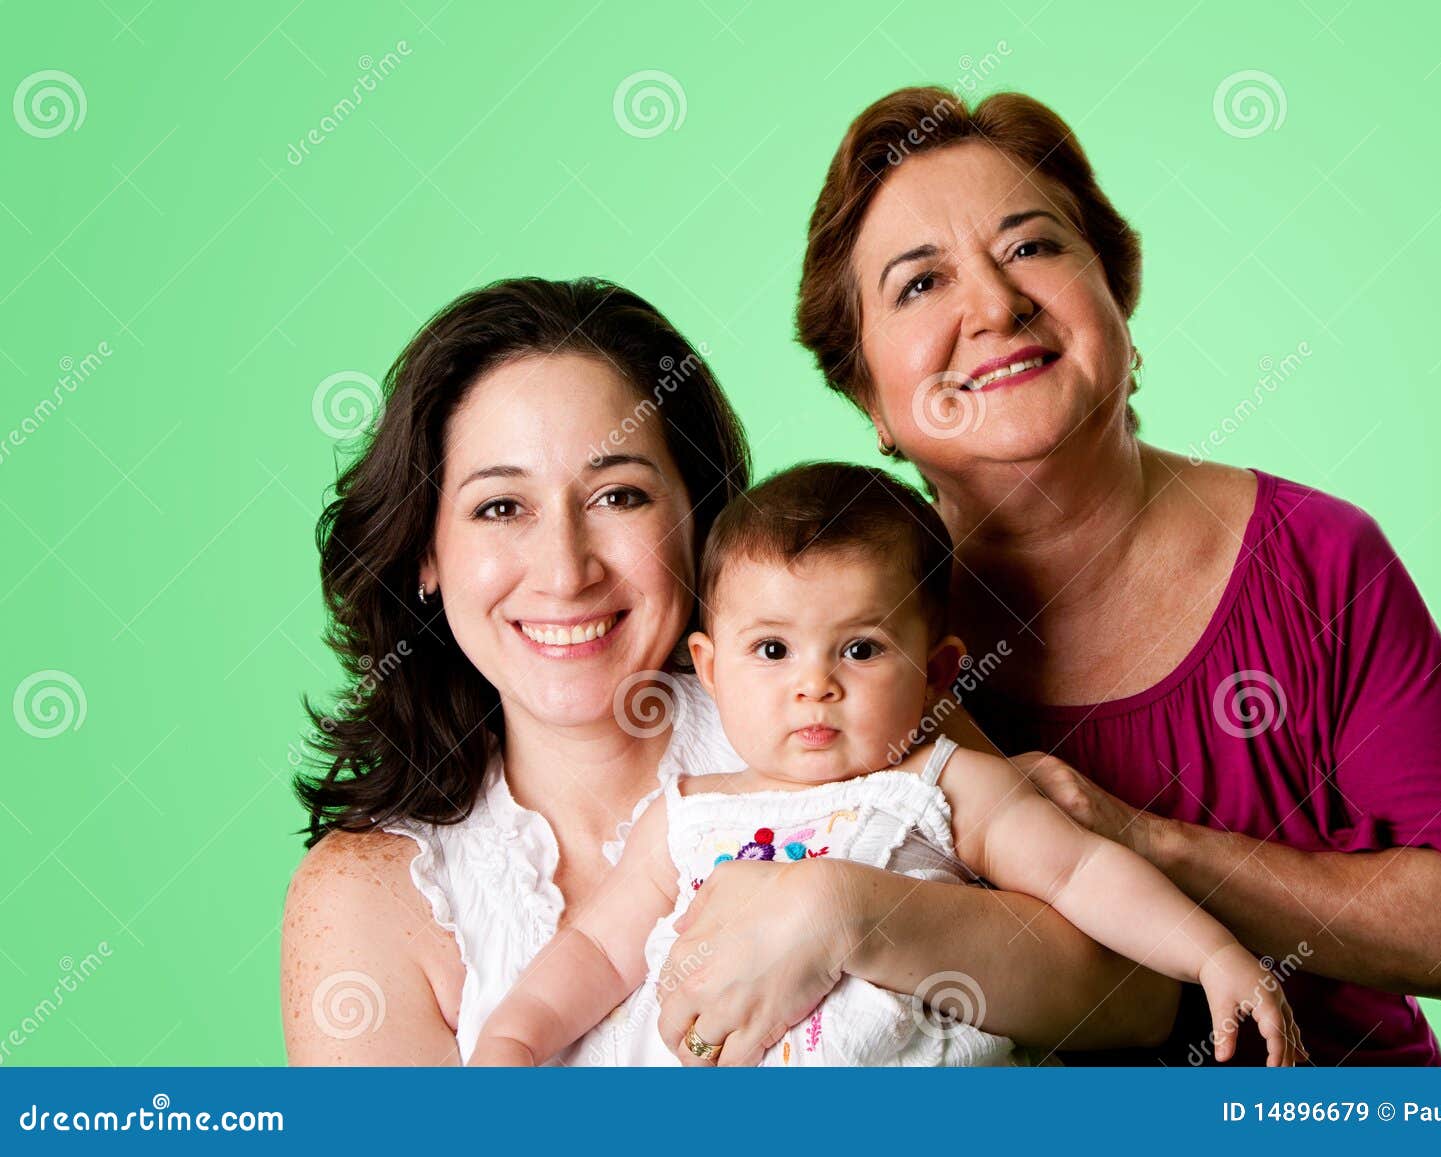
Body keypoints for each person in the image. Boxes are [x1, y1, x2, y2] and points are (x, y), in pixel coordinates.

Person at [793, 87, 1441, 1064]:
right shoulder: (826, 638)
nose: (993, 304)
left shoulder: (1319, 559)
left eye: (1031, 246)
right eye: (918, 284)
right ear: (871, 401)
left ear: (1117, 301)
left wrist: (1145, 838)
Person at [281, 276, 1182, 1065]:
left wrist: (846, 912)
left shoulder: (831, 702)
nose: (565, 568)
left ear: (698, 523)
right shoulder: (366, 898)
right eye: (500, 505)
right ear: (425, 553)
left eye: (620, 494)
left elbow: (1139, 999)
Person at [470, 462, 1300, 1067]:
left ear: (936, 672)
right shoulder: (684, 816)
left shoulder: (945, 786)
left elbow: (1084, 873)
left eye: (860, 648)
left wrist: (1211, 954)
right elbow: (594, 955)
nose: (815, 684)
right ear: (711, 666)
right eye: (772, 649)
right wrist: (511, 1042)